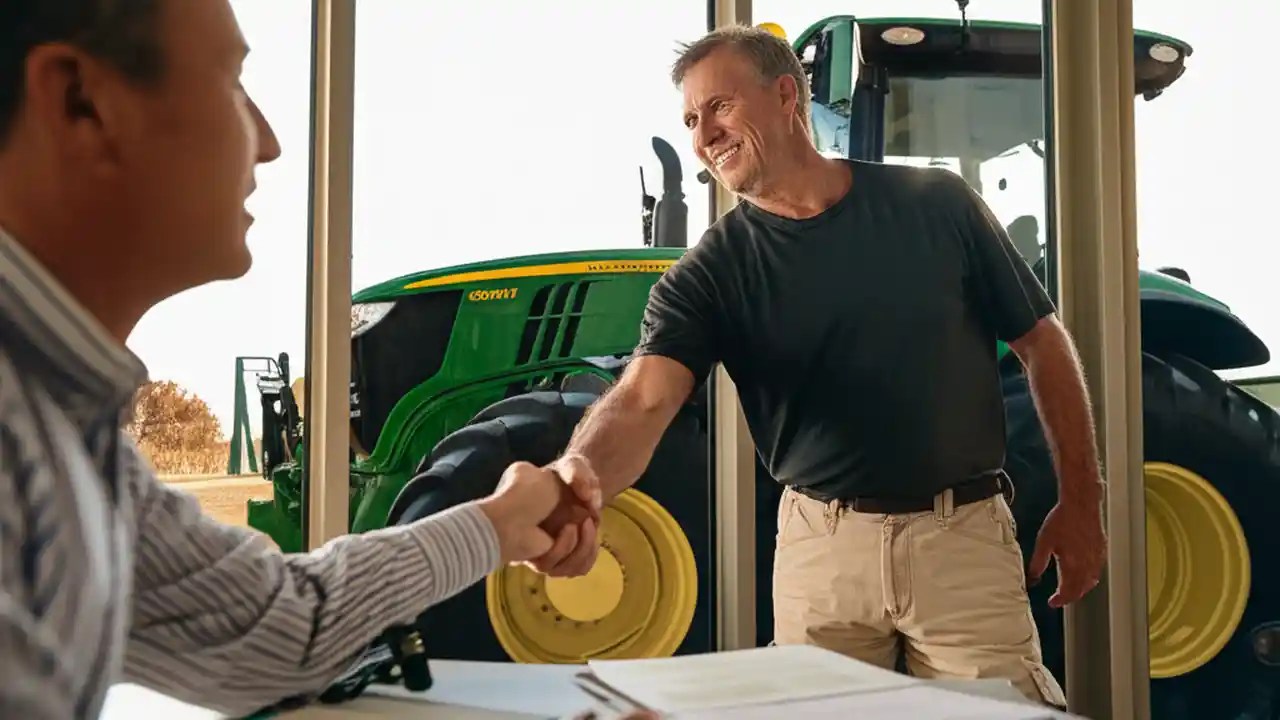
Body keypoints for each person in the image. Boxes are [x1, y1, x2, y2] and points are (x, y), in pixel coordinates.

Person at [0, 1, 602, 718]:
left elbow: (276, 629)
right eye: (231, 83)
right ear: (80, 103)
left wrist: (498, 523)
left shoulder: (68, 427)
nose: (270, 142)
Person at [526, 26, 1108, 707]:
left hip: (962, 544)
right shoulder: (706, 276)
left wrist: (1084, 497)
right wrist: (576, 482)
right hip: (821, 555)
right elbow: (642, 400)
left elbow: (1043, 341)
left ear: (784, 96)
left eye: (718, 107)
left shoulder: (936, 206)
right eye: (689, 120)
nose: (702, 136)